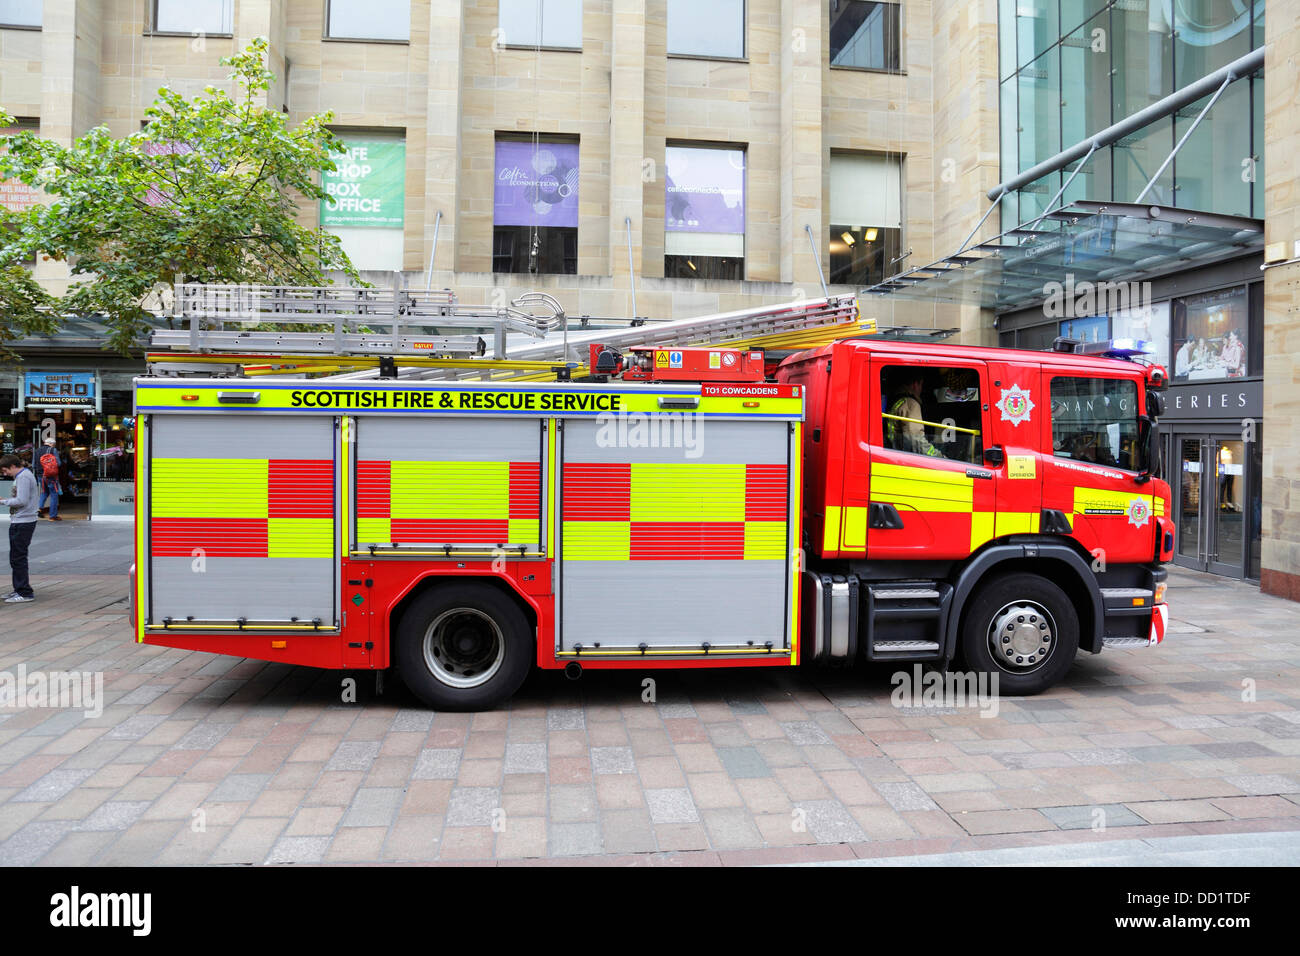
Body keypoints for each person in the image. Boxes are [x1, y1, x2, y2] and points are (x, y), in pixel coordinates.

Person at [0, 453, 38, 603]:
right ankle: (19, 589)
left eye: (5, 471)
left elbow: (21, 500)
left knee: (18, 557)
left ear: (13, 466)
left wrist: (3, 502)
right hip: (21, 520)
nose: (5, 474)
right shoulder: (24, 475)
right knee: (16, 557)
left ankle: (24, 592)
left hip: (23, 521)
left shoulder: (23, 477)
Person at [885, 371, 943, 458]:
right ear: (916, 384)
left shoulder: (894, 401)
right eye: (921, 385)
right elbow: (916, 442)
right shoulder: (910, 404)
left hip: (892, 456)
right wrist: (940, 457)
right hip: (904, 460)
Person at [36, 437, 62, 521]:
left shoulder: (37, 451)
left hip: (40, 475)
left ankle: (39, 508)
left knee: (45, 492)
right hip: (50, 476)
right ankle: (52, 516)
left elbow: (33, 465)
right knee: (54, 495)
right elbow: (58, 463)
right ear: (52, 444)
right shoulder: (53, 450)